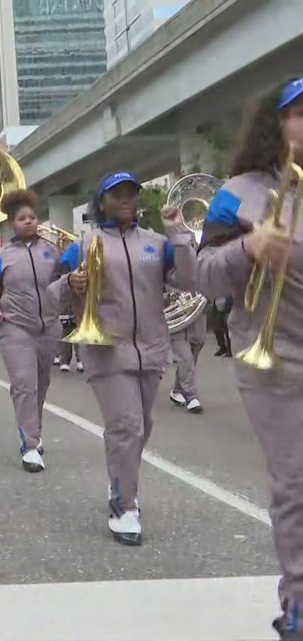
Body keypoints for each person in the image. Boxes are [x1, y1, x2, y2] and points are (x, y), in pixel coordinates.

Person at [197, 77, 303, 641]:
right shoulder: (237, 192)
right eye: (300, 114)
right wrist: (249, 246)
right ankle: (298, 605)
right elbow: (202, 273)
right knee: (297, 483)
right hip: (275, 360)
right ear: (277, 125)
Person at [52, 171, 194, 547]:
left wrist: (180, 236)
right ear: (102, 202)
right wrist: (69, 284)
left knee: (141, 427)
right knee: (127, 427)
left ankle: (119, 478)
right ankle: (124, 507)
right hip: (105, 349)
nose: (127, 199)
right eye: (118, 194)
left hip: (151, 348)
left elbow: (189, 280)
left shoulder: (157, 243)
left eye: (132, 193)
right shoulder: (83, 244)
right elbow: (51, 294)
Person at [0, 189, 65, 473]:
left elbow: (66, 279)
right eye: (22, 218)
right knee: (24, 384)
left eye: (32, 217)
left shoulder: (52, 250)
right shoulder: (1, 256)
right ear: (11, 223)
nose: (29, 222)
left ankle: (35, 431)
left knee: (41, 385)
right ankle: (29, 445)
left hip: (49, 327)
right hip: (14, 326)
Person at [166, 288, 207, 414]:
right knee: (185, 358)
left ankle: (178, 390)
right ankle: (191, 397)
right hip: (176, 319)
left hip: (197, 318)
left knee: (193, 354)